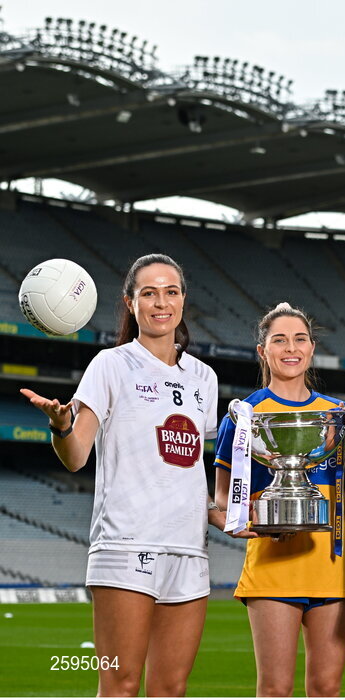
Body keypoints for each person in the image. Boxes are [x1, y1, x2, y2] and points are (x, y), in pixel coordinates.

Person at [20, 254, 218, 697]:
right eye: (149, 293)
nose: (160, 302)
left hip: (188, 549)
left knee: (171, 689)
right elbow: (75, 456)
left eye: (170, 292)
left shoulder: (204, 378)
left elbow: (193, 468)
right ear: (131, 303)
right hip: (126, 547)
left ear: (183, 300)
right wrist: (60, 424)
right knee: (120, 685)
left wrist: (225, 511)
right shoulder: (110, 364)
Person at [212, 302, 345, 697]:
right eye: (279, 340)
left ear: (311, 348)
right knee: (276, 689)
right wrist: (247, 523)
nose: (290, 348)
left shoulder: (338, 417)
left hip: (332, 566)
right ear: (263, 351)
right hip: (273, 569)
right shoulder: (245, 416)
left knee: (327, 688)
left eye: (299, 339)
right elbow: (221, 502)